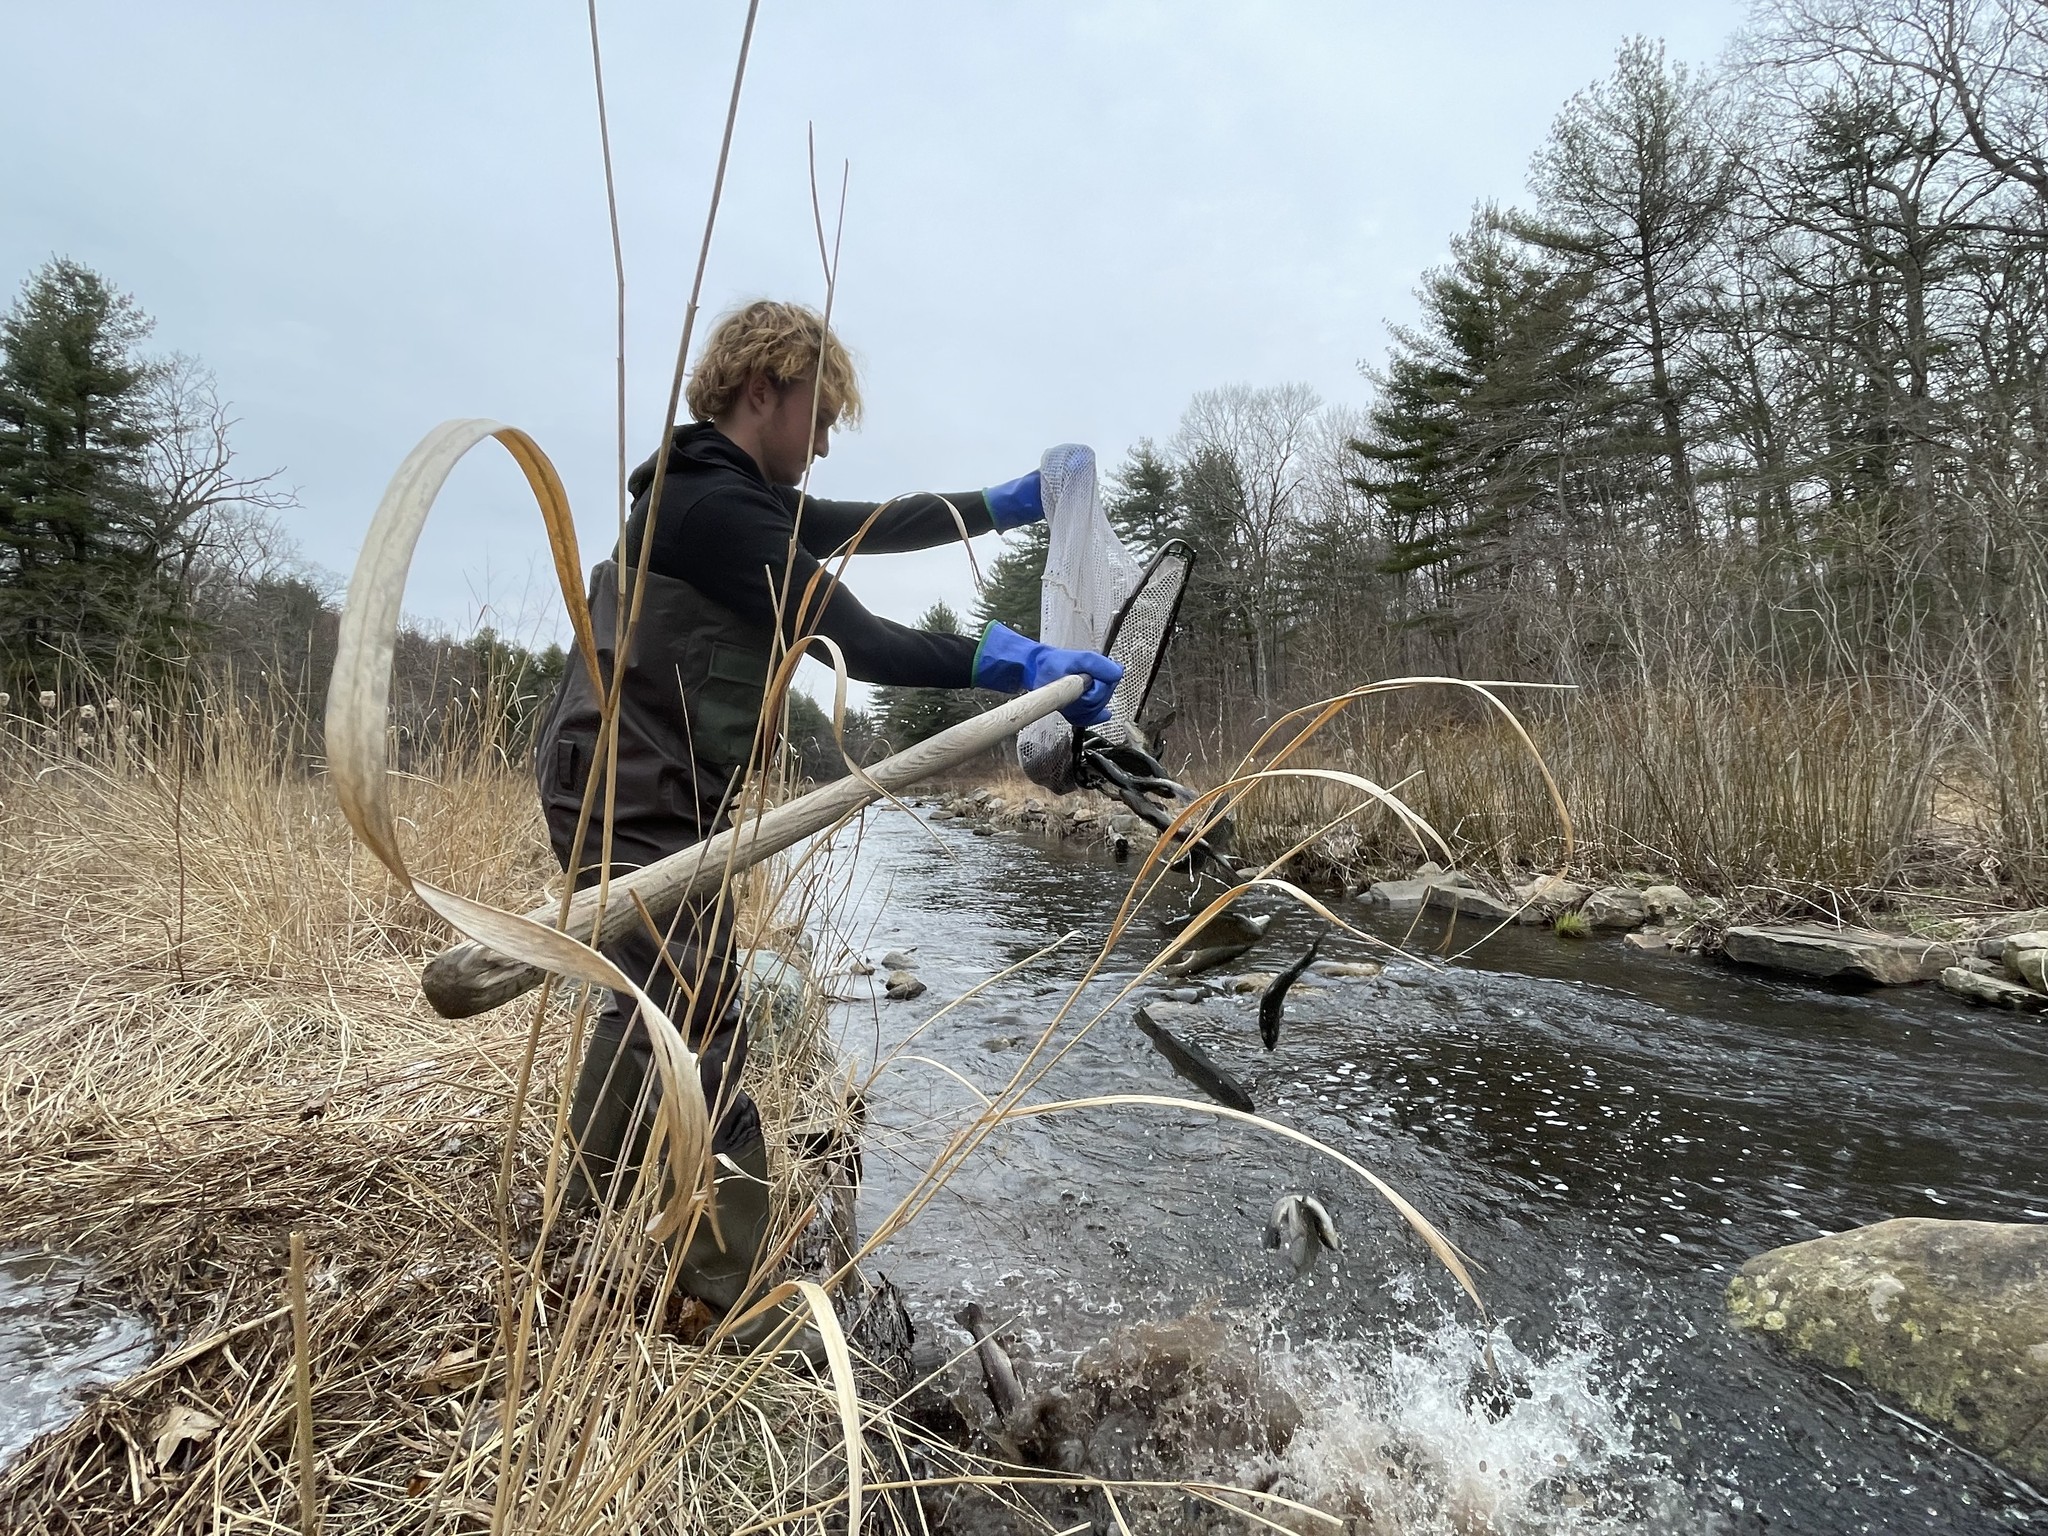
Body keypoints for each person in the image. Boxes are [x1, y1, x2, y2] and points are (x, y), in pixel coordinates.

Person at [532, 299, 1121, 1350]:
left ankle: (576, 1219)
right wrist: (1017, 663)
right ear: (765, 389)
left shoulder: (719, 489)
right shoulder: (713, 510)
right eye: (822, 415)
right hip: (632, 790)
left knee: (646, 1007)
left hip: (630, 781)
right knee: (702, 1030)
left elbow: (867, 525)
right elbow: (862, 640)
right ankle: (730, 1301)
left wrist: (1002, 505)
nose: (825, 443)